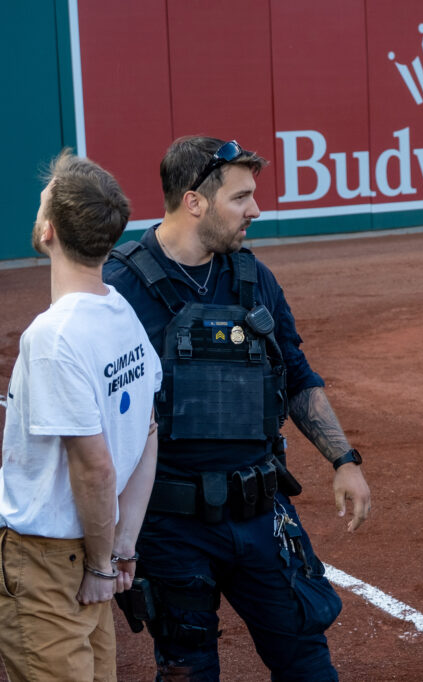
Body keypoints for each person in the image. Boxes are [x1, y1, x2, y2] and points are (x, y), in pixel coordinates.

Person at [103, 136, 372, 680]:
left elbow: (295, 373)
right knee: (188, 668)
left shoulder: (253, 279)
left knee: (305, 659)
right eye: (241, 197)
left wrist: (344, 459)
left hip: (260, 511)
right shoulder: (121, 285)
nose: (256, 210)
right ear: (194, 201)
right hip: (169, 524)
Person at [0, 150, 161, 681]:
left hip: (49, 566)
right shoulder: (120, 311)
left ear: (48, 232)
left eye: (43, 204)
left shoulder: (51, 337)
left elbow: (97, 469)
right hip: (93, 550)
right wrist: (121, 545)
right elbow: (149, 431)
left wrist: (101, 565)